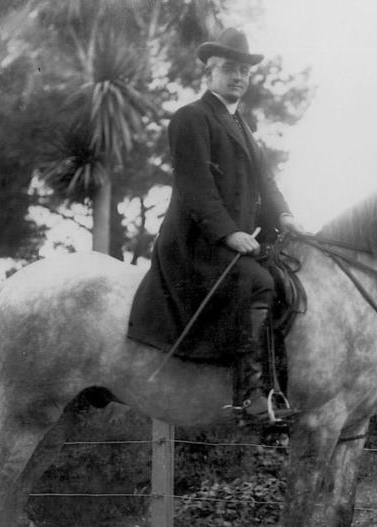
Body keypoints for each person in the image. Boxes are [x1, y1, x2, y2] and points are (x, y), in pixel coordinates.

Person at [128, 27, 303, 427]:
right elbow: (196, 188)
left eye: (244, 70)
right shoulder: (192, 118)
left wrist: (286, 216)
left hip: (232, 241)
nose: (238, 76)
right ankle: (249, 397)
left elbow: (267, 185)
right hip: (196, 242)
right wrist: (228, 233)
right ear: (209, 71)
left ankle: (277, 388)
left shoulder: (242, 124)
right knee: (258, 282)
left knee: (286, 280)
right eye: (229, 68)